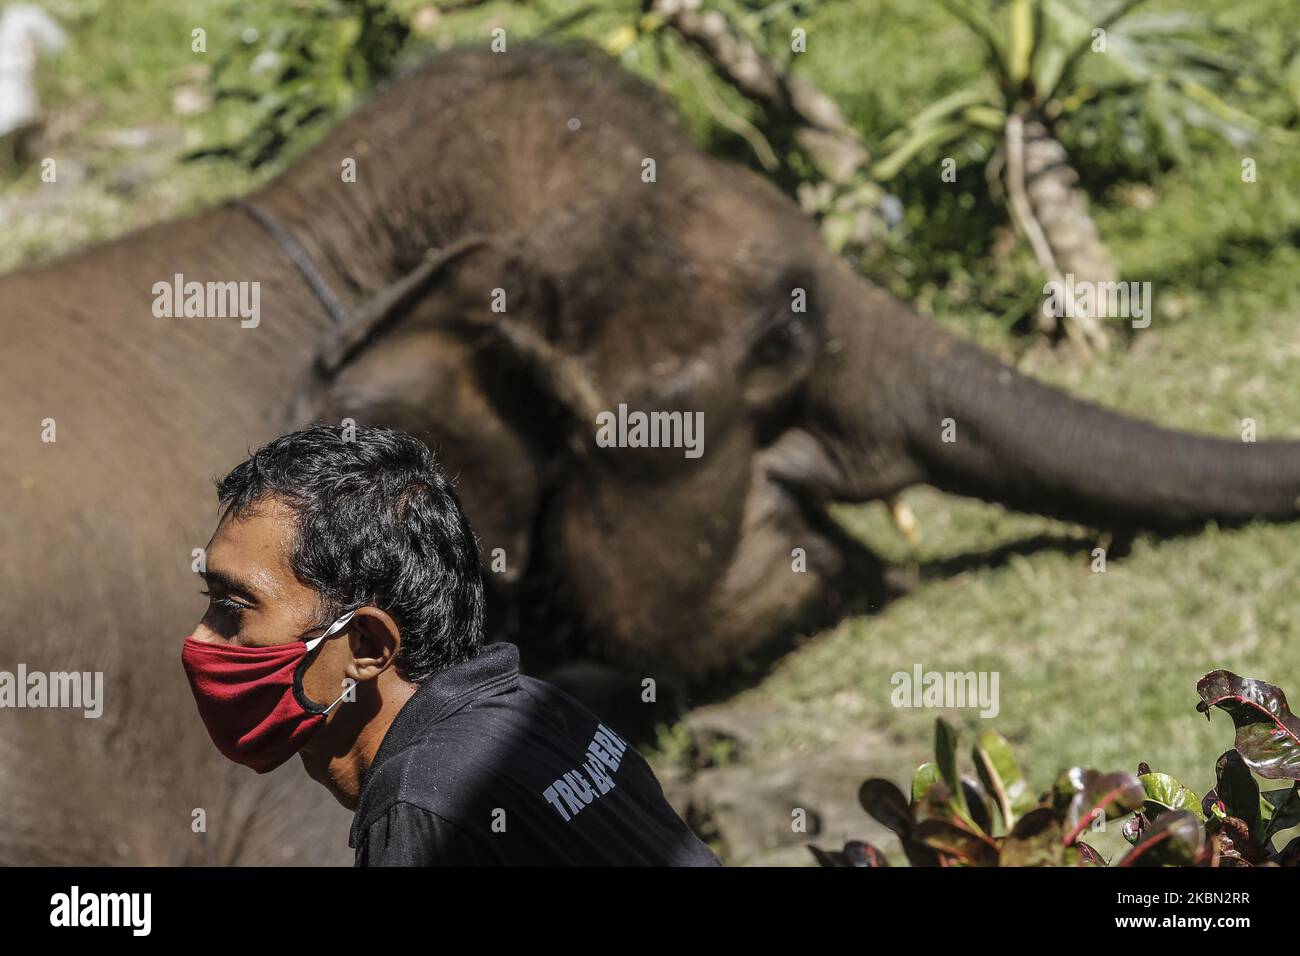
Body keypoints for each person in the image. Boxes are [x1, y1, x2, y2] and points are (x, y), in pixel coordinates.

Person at [181, 423, 721, 867]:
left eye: (233, 608)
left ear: (368, 646)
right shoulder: (540, 710)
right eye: (210, 598)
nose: (200, 639)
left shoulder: (423, 805)